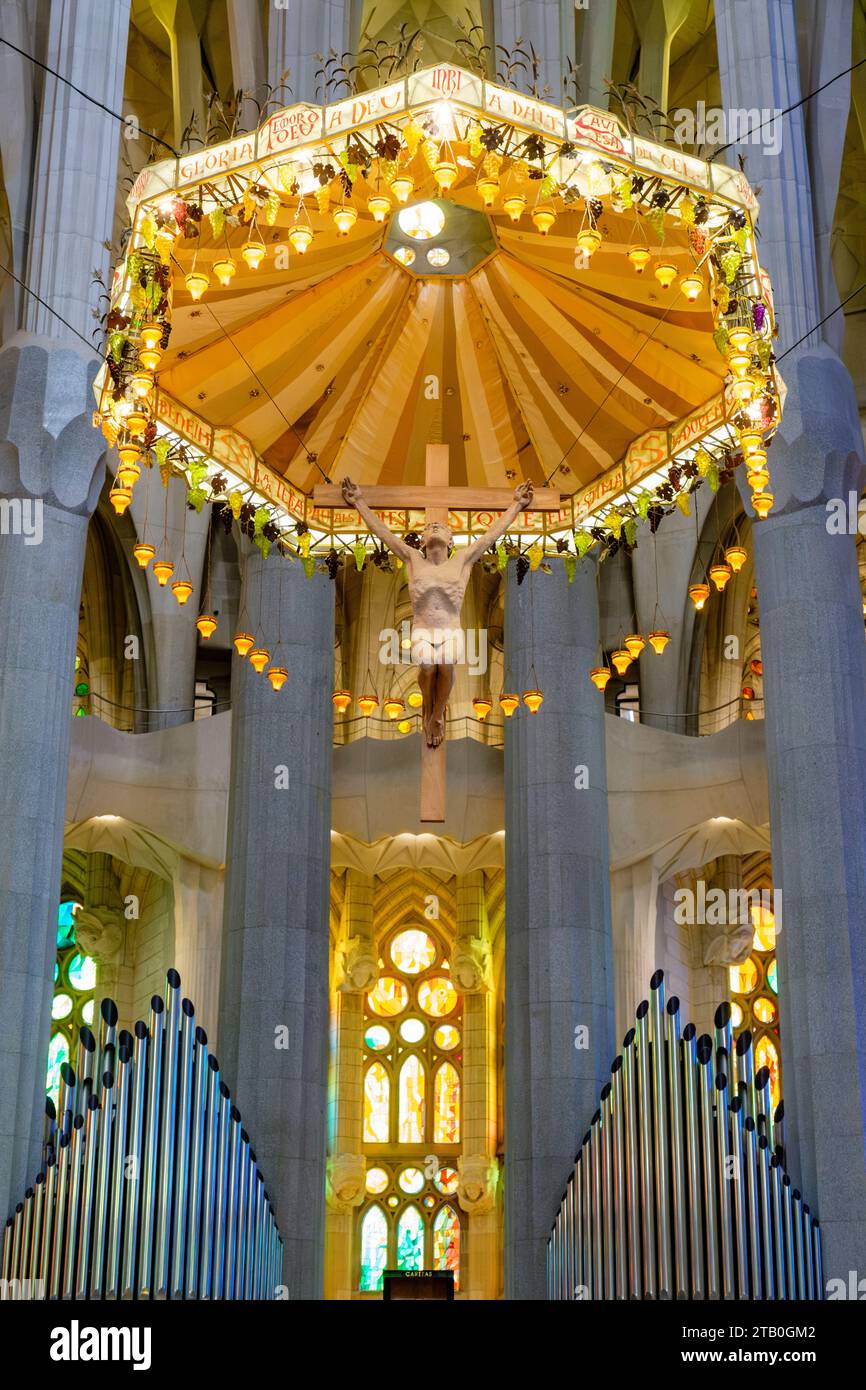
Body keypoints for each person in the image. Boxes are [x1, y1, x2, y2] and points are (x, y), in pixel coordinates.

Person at [341, 477, 535, 746]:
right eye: (430, 527)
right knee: (428, 664)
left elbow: (491, 535)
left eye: (440, 527)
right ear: (422, 542)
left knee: (445, 662)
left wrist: (517, 504)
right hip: (422, 629)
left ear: (450, 540)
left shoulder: (462, 560)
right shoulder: (412, 559)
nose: (434, 527)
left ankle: (435, 715)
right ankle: (431, 711)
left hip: (450, 630)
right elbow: (383, 533)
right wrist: (359, 501)